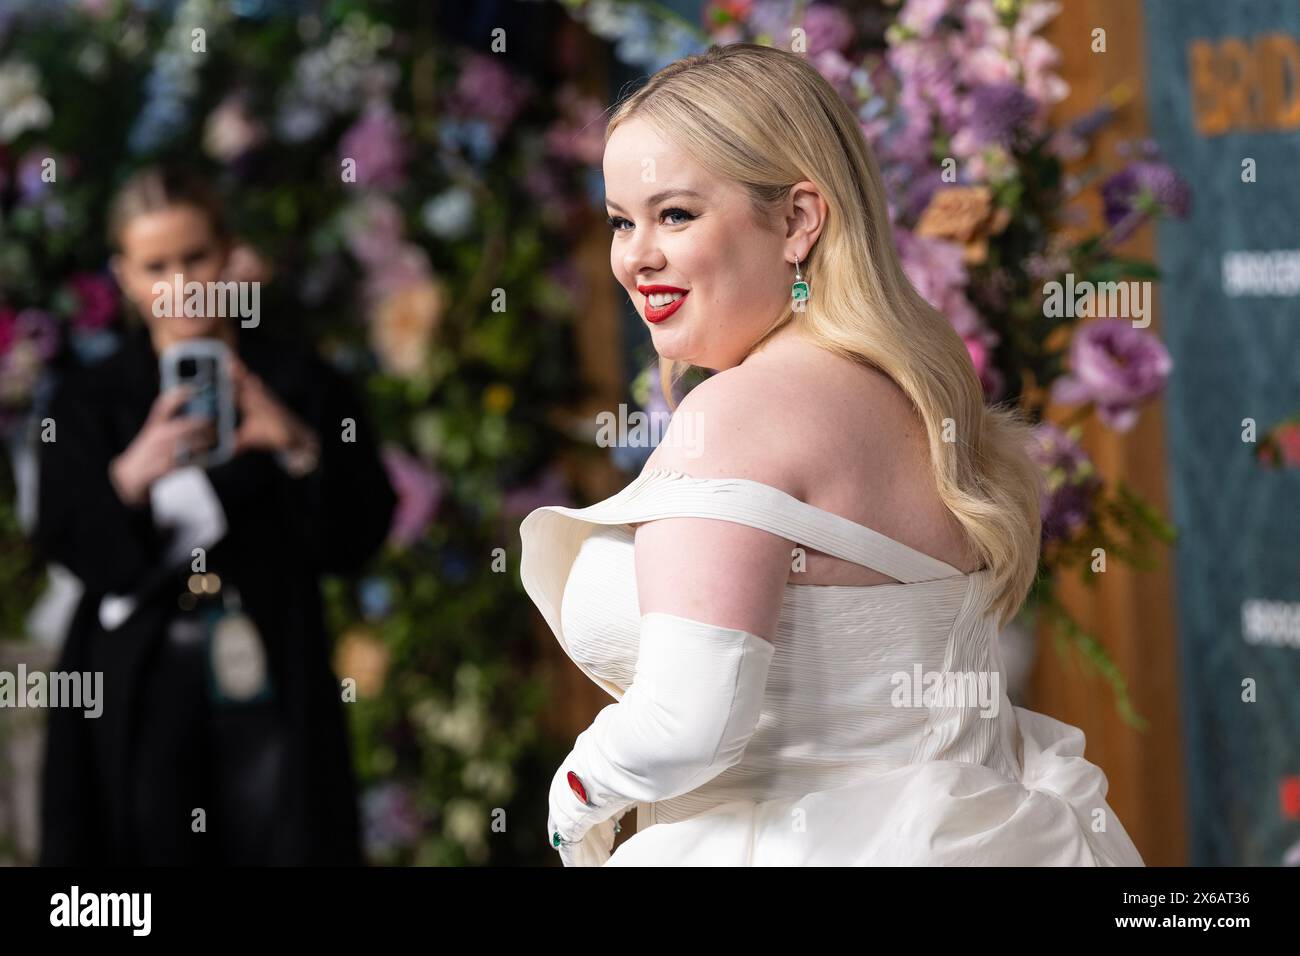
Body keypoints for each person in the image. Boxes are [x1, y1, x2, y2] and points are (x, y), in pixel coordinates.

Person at [520, 44, 1145, 866]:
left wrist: (577, 798)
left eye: (674, 215)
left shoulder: (736, 417)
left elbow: (688, 721)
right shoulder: (919, 398)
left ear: (797, 220)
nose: (636, 256)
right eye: (620, 220)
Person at [36, 165, 397, 865]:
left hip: (273, 672)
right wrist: (129, 477)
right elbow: (69, 542)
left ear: (229, 254)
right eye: (156, 265)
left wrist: (296, 446)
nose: (181, 283)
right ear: (125, 277)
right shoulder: (90, 401)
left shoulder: (302, 382)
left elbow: (358, 535)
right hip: (133, 686)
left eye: (195, 257)